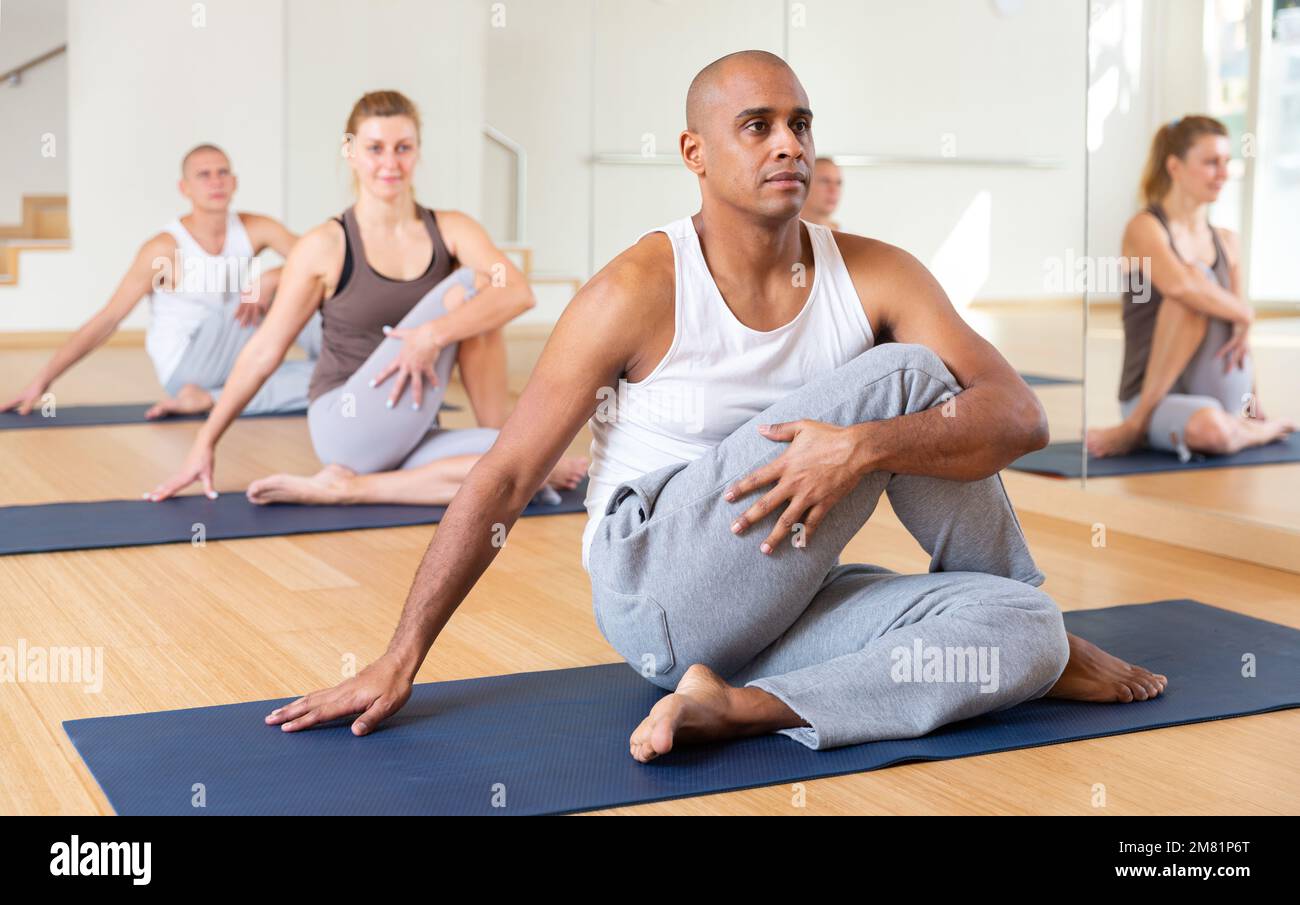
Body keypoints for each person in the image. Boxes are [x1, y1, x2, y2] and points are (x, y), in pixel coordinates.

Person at [265, 54, 1166, 761]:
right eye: (758, 126)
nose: (789, 145)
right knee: (915, 373)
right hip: (656, 581)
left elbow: (1020, 417)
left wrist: (856, 451)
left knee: (1023, 631)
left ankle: (736, 706)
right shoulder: (637, 287)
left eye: (801, 125)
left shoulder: (875, 267)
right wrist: (399, 656)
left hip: (769, 604)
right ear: (696, 152)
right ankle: (1002, 620)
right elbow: (503, 474)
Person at [147, 91, 586, 505]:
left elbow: (518, 292)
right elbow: (264, 351)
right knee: (472, 282)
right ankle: (395, 473)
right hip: (348, 424)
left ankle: (359, 487)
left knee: (528, 458)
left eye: (403, 148)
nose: (390, 163)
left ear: (417, 152)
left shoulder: (449, 227)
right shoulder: (325, 245)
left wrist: (431, 335)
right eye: (375, 148)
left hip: (410, 428)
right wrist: (203, 444)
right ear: (351, 153)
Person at [2, 144, 318, 419]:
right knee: (292, 285)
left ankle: (209, 399)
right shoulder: (164, 248)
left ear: (234, 182)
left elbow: (322, 260)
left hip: (231, 357)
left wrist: (272, 275)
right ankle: (201, 391)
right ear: (185, 188)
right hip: (188, 365)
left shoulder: (255, 226)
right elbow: (109, 318)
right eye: (203, 175)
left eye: (222, 173)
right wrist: (42, 380)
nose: (215, 182)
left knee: (328, 379)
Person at [1086, 115, 1295, 458]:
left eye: (1227, 162)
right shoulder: (1145, 228)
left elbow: (1238, 334)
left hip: (1218, 386)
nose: (1223, 173)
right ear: (1175, 167)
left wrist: (1253, 401)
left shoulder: (1227, 241)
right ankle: (1139, 422)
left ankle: (1250, 430)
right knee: (1192, 287)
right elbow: (1182, 287)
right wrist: (1245, 312)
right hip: (1151, 396)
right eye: (1212, 163)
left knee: (1202, 288)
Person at [799, 156, 842, 229]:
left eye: (838, 183)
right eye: (825, 181)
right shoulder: (781, 235)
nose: (833, 190)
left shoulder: (853, 238)